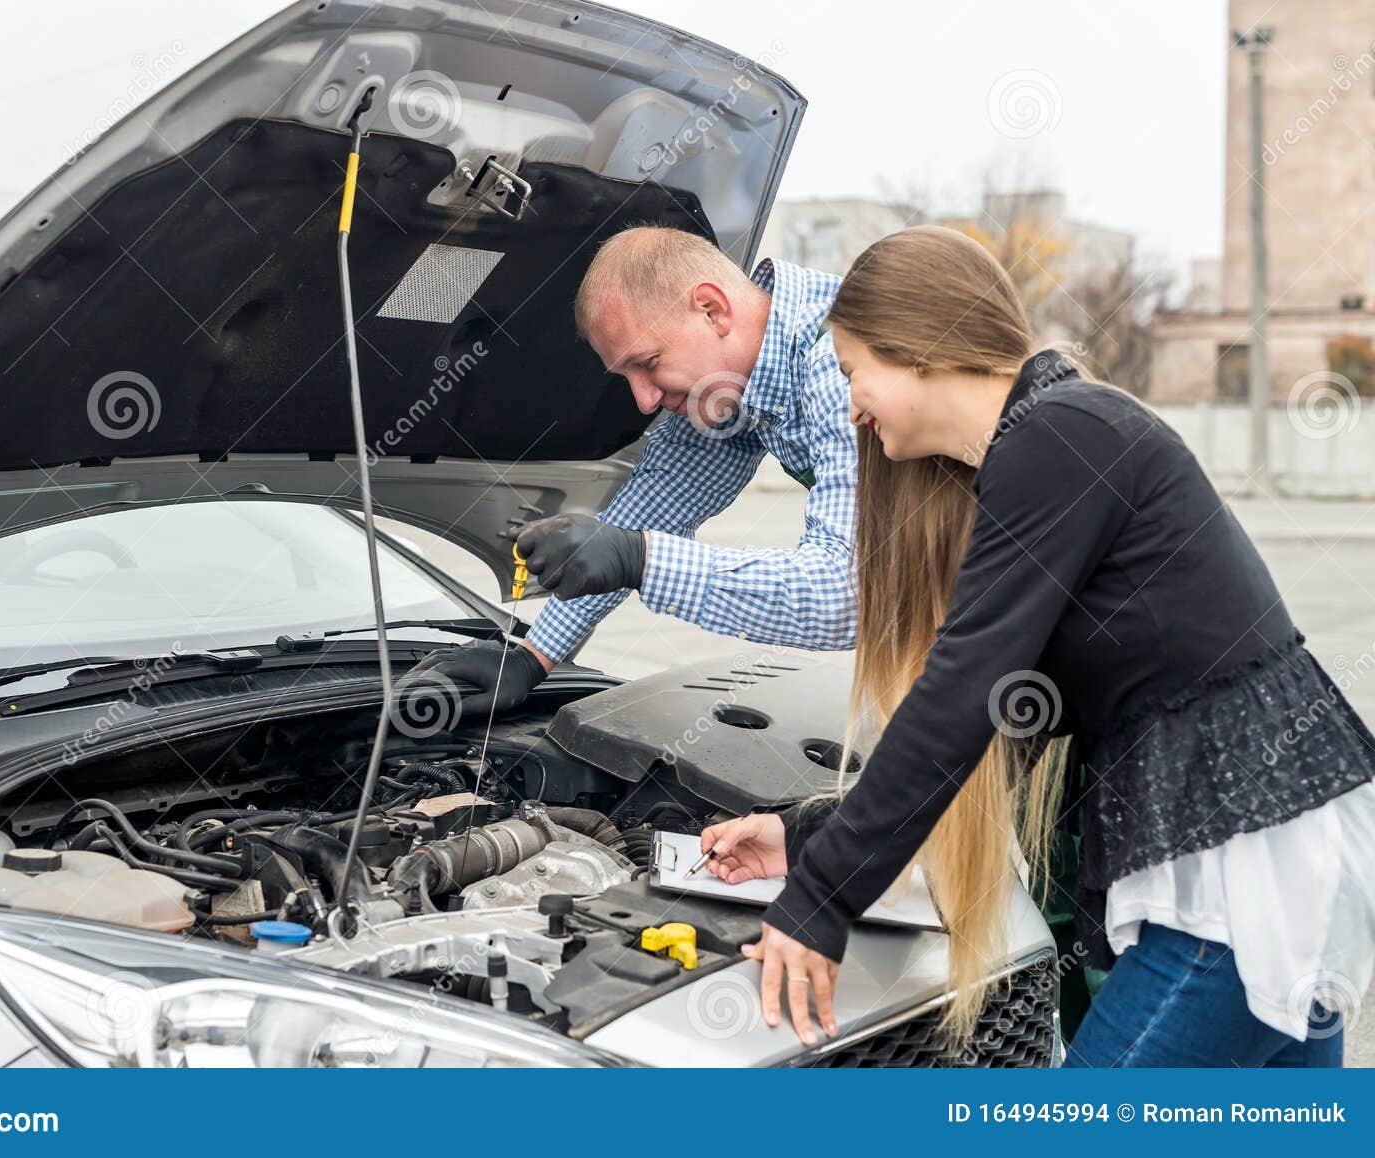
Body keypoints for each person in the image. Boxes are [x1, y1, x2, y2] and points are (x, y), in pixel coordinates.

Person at [702, 225, 1375, 1065]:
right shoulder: (1048, 447)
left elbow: (960, 688)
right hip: (1260, 842)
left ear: (916, 348)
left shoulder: (1060, 435)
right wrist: (808, 838)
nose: (849, 405)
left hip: (1229, 869)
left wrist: (820, 901)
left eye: (851, 371)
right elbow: (997, 728)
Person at [403, 226, 860, 715]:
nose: (644, 400)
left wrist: (642, 560)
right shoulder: (732, 382)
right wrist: (532, 657)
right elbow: (655, 507)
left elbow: (850, 595)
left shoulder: (841, 362)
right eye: (627, 377)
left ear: (712, 309)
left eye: (648, 363)